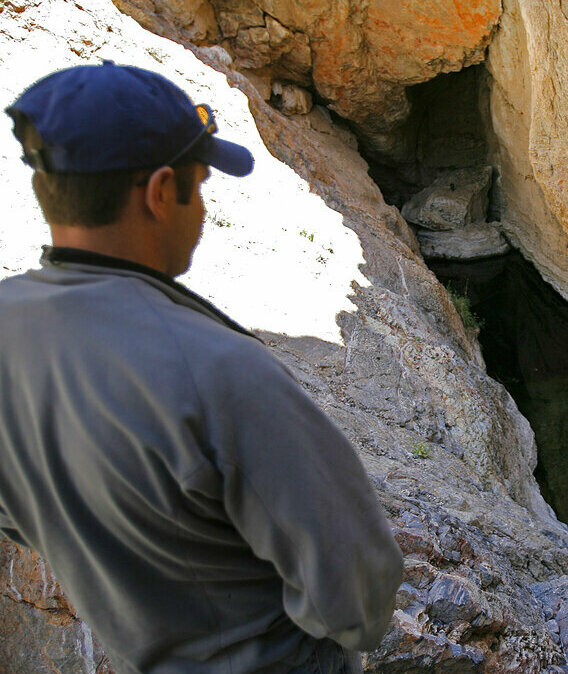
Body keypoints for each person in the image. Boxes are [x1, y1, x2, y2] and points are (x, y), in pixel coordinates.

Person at [0, 62, 403, 673]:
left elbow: (18, 518)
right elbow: (356, 592)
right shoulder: (216, 373)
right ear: (161, 193)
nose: (205, 209)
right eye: (202, 184)